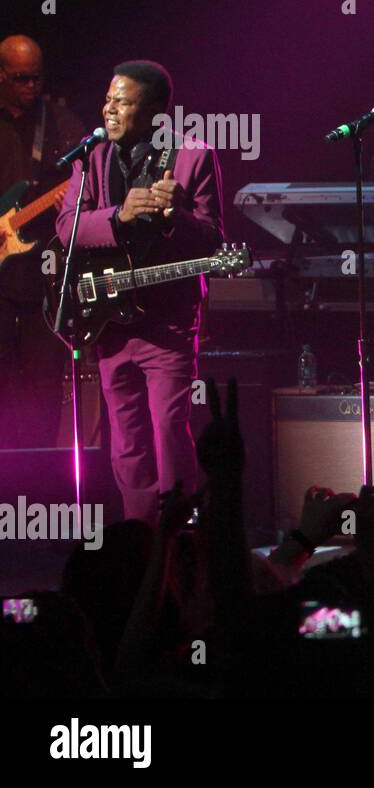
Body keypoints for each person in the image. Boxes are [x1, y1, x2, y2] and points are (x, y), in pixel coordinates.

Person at [54, 60, 224, 524]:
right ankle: (138, 534)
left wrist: (178, 218)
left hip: (167, 320)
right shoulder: (90, 157)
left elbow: (212, 240)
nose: (109, 109)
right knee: (126, 437)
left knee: (169, 428)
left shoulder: (191, 156)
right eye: (108, 100)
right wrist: (118, 217)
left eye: (123, 102)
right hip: (109, 317)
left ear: (153, 111)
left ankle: (176, 534)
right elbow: (67, 226)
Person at [0, 34, 87, 448]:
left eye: (36, 77)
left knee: (43, 381)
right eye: (20, 78)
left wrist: (69, 199)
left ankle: (40, 470)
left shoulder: (61, 123)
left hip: (42, 273)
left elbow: (87, 176)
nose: (31, 86)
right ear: (1, 75)